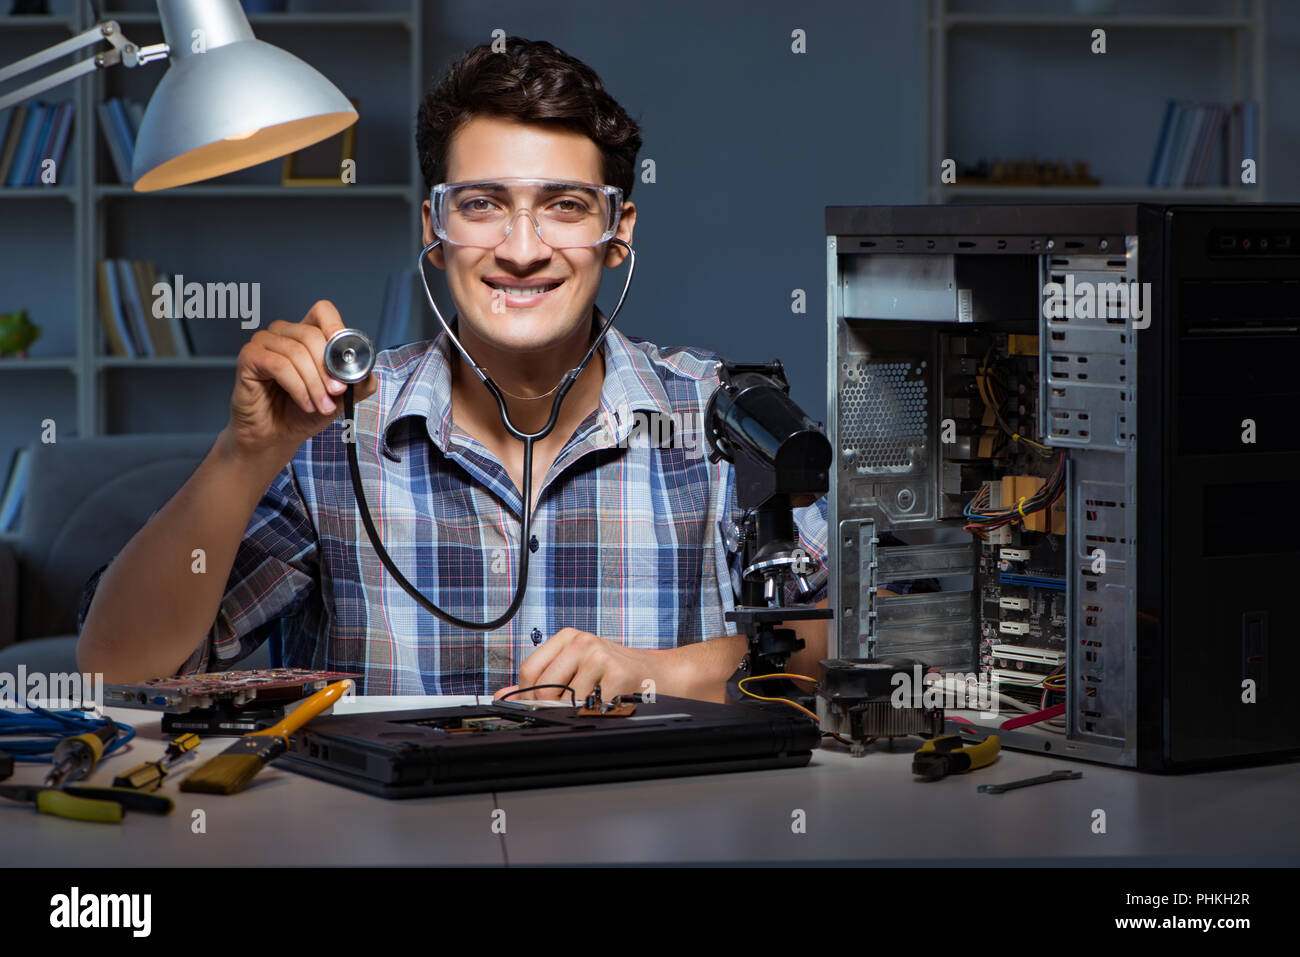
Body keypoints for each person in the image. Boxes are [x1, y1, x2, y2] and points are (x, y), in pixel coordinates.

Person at [76, 37, 829, 703]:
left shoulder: (717, 412)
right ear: (434, 228)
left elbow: (846, 643)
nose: (523, 248)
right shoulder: (334, 428)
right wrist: (243, 457)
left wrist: (656, 675)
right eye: (483, 205)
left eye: (565, 205)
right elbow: (114, 669)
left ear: (617, 231)